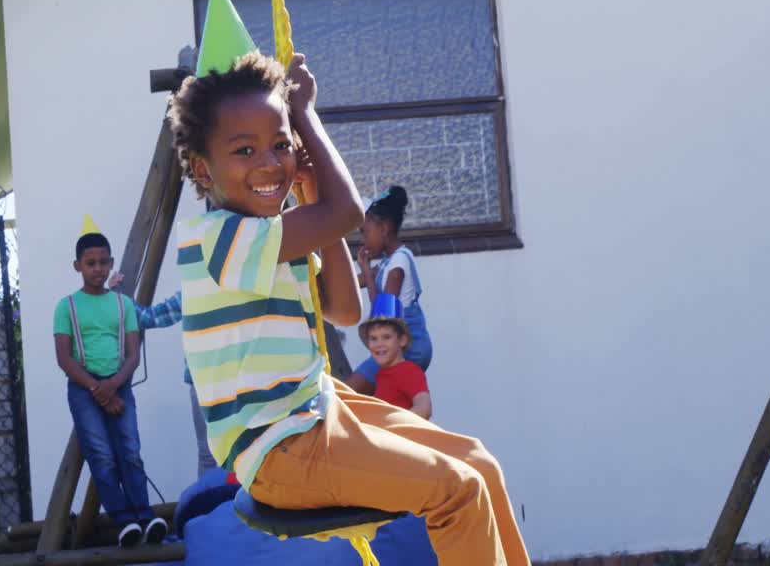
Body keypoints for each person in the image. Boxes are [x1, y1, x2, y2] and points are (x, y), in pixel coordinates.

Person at [166, 48, 529, 566]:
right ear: (203, 170)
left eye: (281, 144)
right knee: (457, 490)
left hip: (319, 412)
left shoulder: (277, 239)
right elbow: (348, 212)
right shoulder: (218, 239)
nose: (269, 162)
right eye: (244, 150)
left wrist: (311, 188)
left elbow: (343, 310)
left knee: (480, 465)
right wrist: (305, 114)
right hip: (280, 449)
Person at [53, 224, 167, 547]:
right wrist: (98, 390)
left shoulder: (123, 305)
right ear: (77, 266)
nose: (98, 269)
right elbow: (64, 358)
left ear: (111, 262)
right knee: (101, 456)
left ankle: (145, 516)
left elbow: (133, 354)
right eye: (90, 263)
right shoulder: (67, 307)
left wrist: (114, 386)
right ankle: (124, 521)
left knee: (130, 452)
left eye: (104, 262)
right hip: (83, 389)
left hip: (120, 386)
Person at [110, 280, 219, 478]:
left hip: (208, 382)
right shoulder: (197, 288)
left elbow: (150, 317)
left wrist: (118, 295)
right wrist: (118, 295)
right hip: (215, 382)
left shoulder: (194, 287)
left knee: (209, 455)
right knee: (233, 453)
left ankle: (214, 497)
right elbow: (150, 317)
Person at [348, 185, 431, 396]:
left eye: (365, 232)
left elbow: (382, 312)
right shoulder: (388, 262)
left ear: (383, 229)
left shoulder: (398, 263)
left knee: (351, 391)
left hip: (408, 346)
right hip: (395, 343)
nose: (362, 240)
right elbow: (354, 282)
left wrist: (367, 272)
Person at [360, 293, 431, 420]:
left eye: (386, 337)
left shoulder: (409, 371)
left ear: (402, 340)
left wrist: (393, 426)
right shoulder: (380, 375)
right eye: (373, 338)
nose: (379, 344)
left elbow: (424, 408)